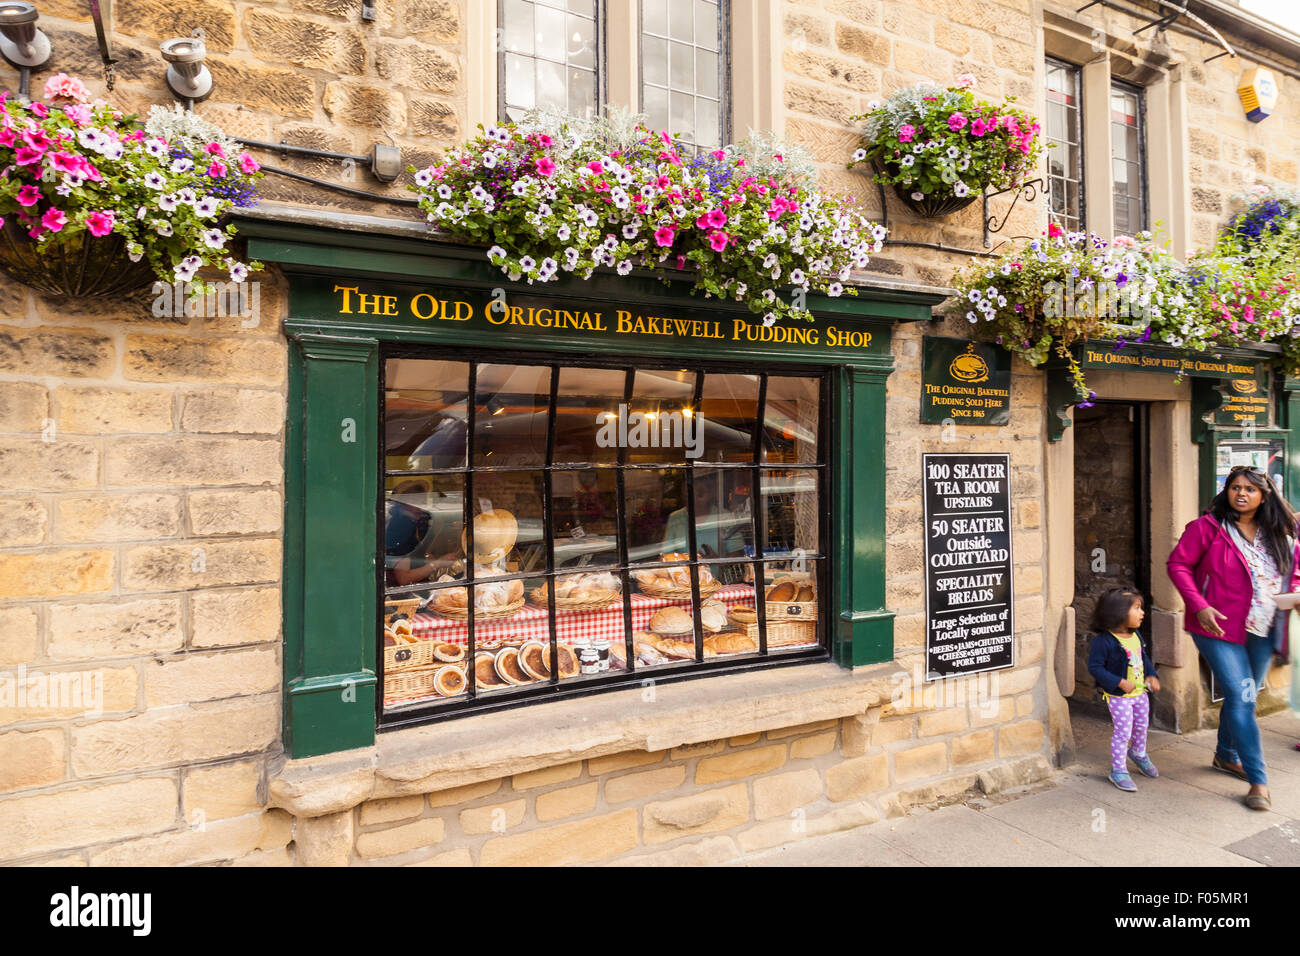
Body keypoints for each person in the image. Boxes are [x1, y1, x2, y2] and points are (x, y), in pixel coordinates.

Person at [1167, 464, 1300, 811]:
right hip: (1218, 626)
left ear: (1264, 495)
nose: (1241, 493)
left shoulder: (1279, 531)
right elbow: (1178, 565)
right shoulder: (1207, 528)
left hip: (1264, 626)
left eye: (1250, 489)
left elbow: (1292, 574)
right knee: (1243, 699)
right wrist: (1200, 605)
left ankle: (1226, 755)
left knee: (1244, 696)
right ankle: (1259, 780)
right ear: (1227, 491)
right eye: (1235, 487)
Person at [1087, 588, 1162, 792]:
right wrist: (1118, 682)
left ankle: (1138, 753)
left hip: (1140, 694)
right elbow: (1095, 668)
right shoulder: (1103, 642)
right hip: (1120, 697)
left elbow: (1143, 658)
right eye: (1137, 608)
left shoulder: (1135, 635)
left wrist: (1151, 675)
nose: (1142, 613)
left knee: (1141, 726)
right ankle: (1118, 770)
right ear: (1118, 612)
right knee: (1123, 732)